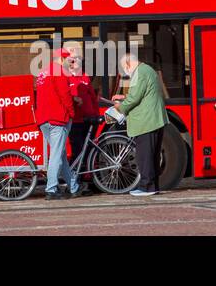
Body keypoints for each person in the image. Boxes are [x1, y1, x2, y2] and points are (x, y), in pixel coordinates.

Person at [111, 51, 168, 197]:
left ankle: (146, 187)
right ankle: (153, 186)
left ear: (128, 64)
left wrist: (120, 107)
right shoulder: (147, 70)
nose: (126, 73)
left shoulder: (139, 73)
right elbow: (144, 92)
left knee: (145, 156)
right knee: (153, 156)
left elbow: (135, 98)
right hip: (153, 119)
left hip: (146, 121)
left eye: (125, 69)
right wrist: (124, 96)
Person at [35, 48, 82, 200]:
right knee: (56, 155)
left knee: (60, 154)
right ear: (62, 59)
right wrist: (72, 113)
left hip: (43, 119)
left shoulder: (43, 73)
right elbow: (65, 95)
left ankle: (73, 186)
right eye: (69, 60)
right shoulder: (60, 72)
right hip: (58, 119)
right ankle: (51, 189)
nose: (71, 64)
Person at [66, 47, 101, 163]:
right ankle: (76, 176)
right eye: (73, 59)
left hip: (89, 119)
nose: (76, 61)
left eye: (78, 59)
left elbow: (92, 97)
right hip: (75, 120)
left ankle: (86, 174)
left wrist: (96, 115)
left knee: (88, 149)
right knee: (77, 149)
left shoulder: (85, 76)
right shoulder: (65, 77)